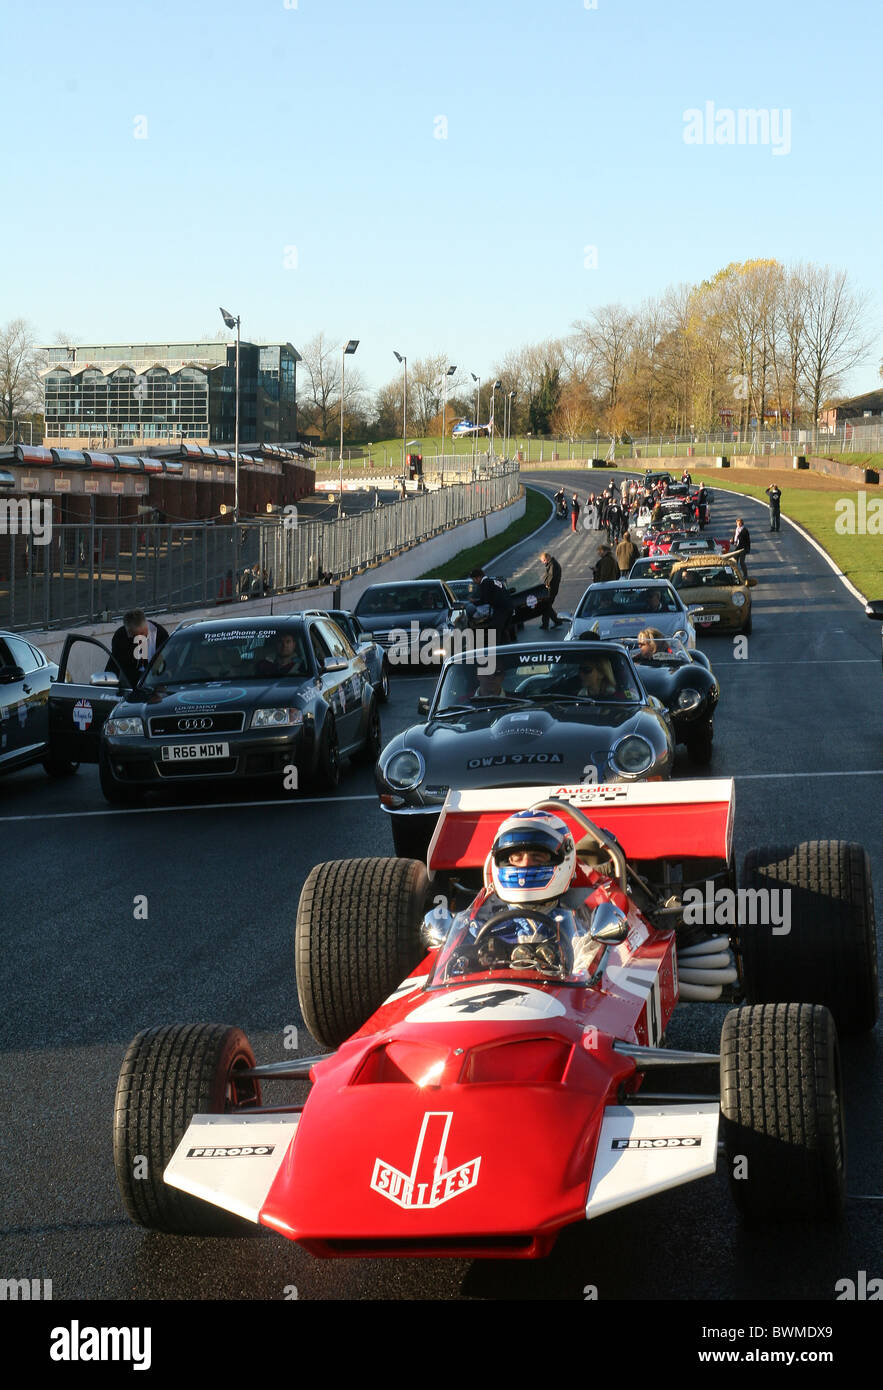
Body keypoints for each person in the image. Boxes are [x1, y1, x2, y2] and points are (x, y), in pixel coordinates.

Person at [108, 608, 169, 689]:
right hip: (130, 685)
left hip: (156, 683)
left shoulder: (160, 635)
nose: (139, 638)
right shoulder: (120, 637)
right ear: (127, 632)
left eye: (142, 633)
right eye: (134, 636)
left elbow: (169, 661)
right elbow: (115, 663)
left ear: (146, 625)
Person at [470, 566, 517, 643]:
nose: (474, 582)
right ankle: (506, 648)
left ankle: (497, 650)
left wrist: (474, 602)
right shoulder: (493, 581)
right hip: (509, 607)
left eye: (474, 579)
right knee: (503, 631)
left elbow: (485, 600)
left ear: (478, 577)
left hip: (501, 609)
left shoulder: (485, 583)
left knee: (495, 630)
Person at [539, 550, 563, 629]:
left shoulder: (553, 564)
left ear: (548, 557)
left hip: (551, 589)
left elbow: (551, 576)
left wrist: (547, 584)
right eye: (543, 561)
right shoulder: (551, 564)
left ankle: (557, 621)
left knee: (546, 606)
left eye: (544, 560)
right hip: (551, 588)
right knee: (546, 606)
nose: (544, 562)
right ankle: (546, 624)